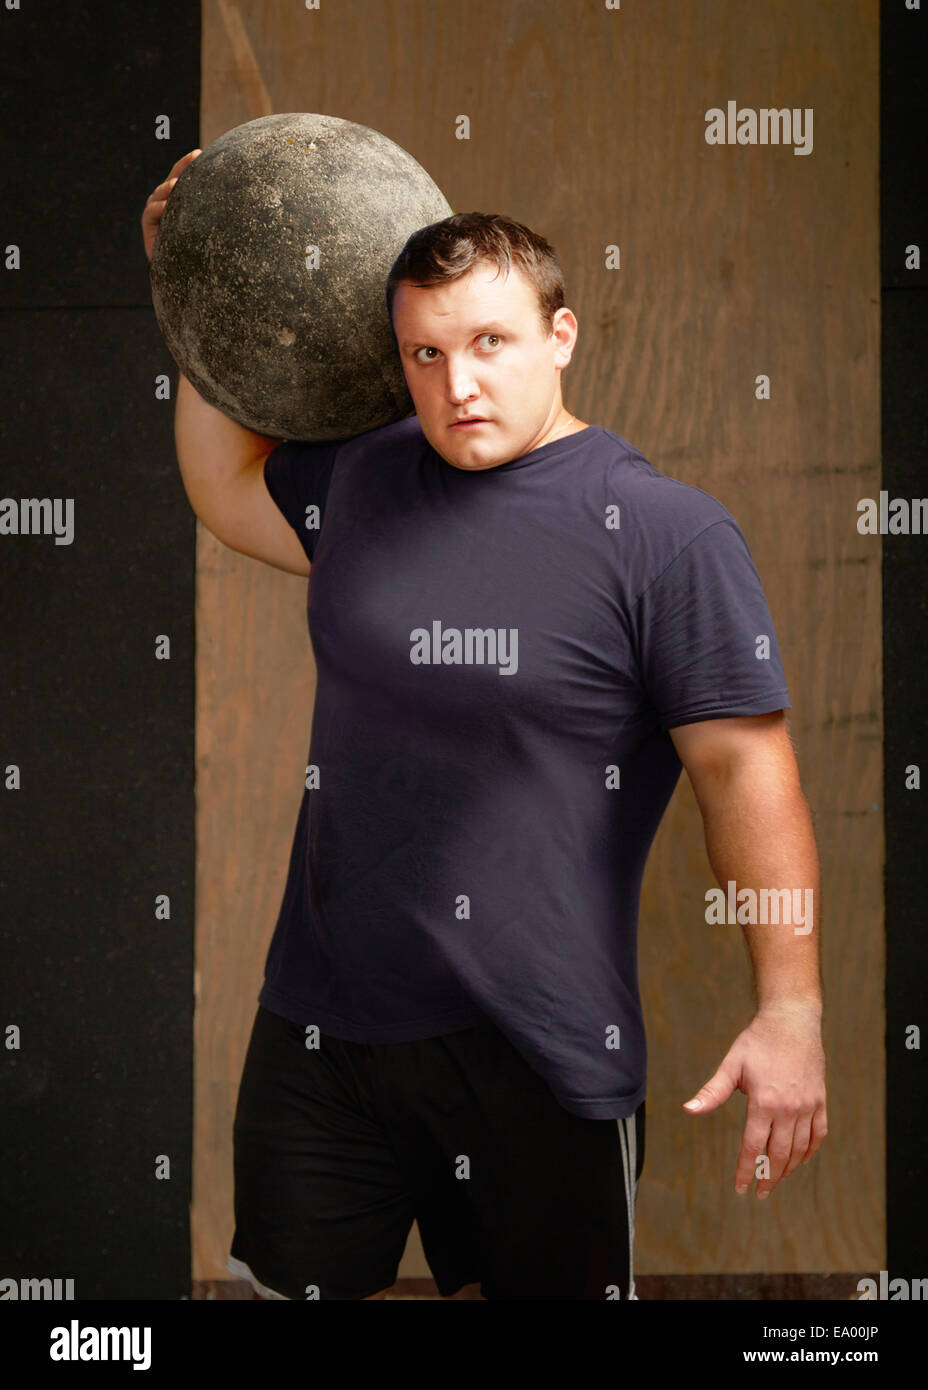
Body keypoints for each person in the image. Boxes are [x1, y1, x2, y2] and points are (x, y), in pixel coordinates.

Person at [142, 154, 827, 1302]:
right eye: (426, 353)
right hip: (322, 1030)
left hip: (538, 1045)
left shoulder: (665, 535)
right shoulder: (362, 483)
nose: (458, 383)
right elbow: (222, 484)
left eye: (491, 344)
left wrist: (790, 1007)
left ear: (562, 335)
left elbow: (747, 778)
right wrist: (200, 273)